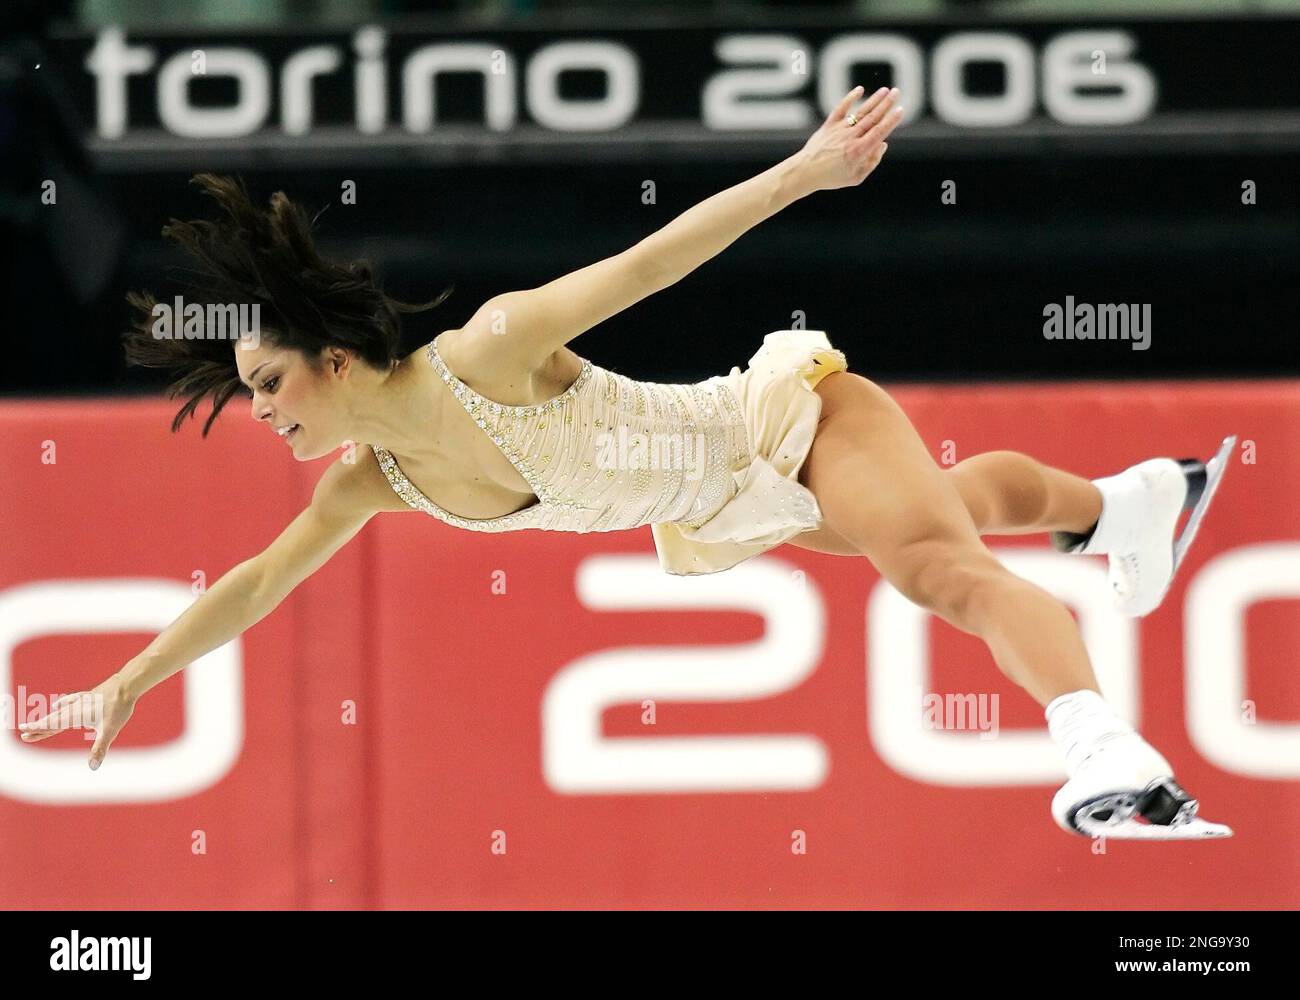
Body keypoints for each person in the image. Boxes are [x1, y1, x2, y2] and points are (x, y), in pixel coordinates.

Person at [19, 86, 1233, 840]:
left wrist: (803, 173)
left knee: (933, 567)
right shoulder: (369, 480)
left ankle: (1102, 752)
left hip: (778, 424)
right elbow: (253, 584)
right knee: (954, 510)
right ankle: (1135, 503)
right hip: (732, 504)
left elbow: (651, 262)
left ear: (334, 357)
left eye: (270, 385)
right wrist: (133, 678)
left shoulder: (484, 352)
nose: (262, 414)